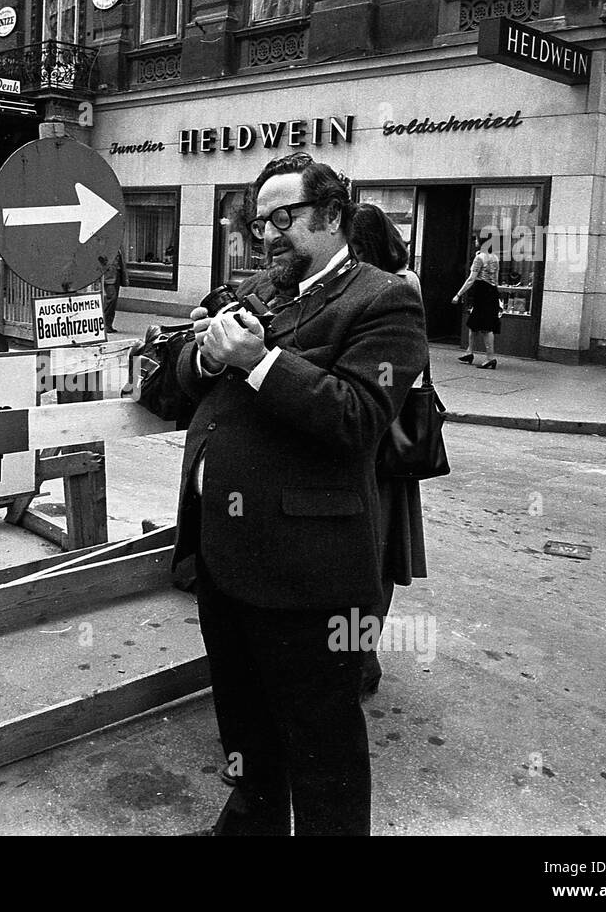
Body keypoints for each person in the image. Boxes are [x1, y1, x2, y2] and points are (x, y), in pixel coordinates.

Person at [174, 154, 426, 835]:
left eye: (284, 218)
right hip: (225, 559)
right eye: (260, 221)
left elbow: (356, 416)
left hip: (309, 575)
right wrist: (208, 355)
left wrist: (257, 360)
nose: (268, 234)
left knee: (323, 747)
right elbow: (185, 378)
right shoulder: (262, 288)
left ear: (333, 216)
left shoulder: (383, 300)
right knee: (245, 730)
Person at [348, 203, 428, 696]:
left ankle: (361, 659)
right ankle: (361, 656)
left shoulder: (389, 288)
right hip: (389, 446)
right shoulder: (402, 281)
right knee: (376, 557)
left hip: (382, 443)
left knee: (371, 557)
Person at [451, 236, 501, 369]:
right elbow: (496, 279)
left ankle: (490, 358)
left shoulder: (479, 258)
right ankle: (469, 352)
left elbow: (471, 279)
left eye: (477, 240)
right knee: (474, 324)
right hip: (492, 292)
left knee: (486, 327)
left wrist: (458, 294)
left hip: (482, 293)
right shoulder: (495, 258)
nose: (475, 242)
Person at [103, 247, 128, 332]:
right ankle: (105, 324)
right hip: (108, 276)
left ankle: (108, 324)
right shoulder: (105, 245)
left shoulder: (118, 246)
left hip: (117, 274)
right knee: (111, 298)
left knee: (113, 300)